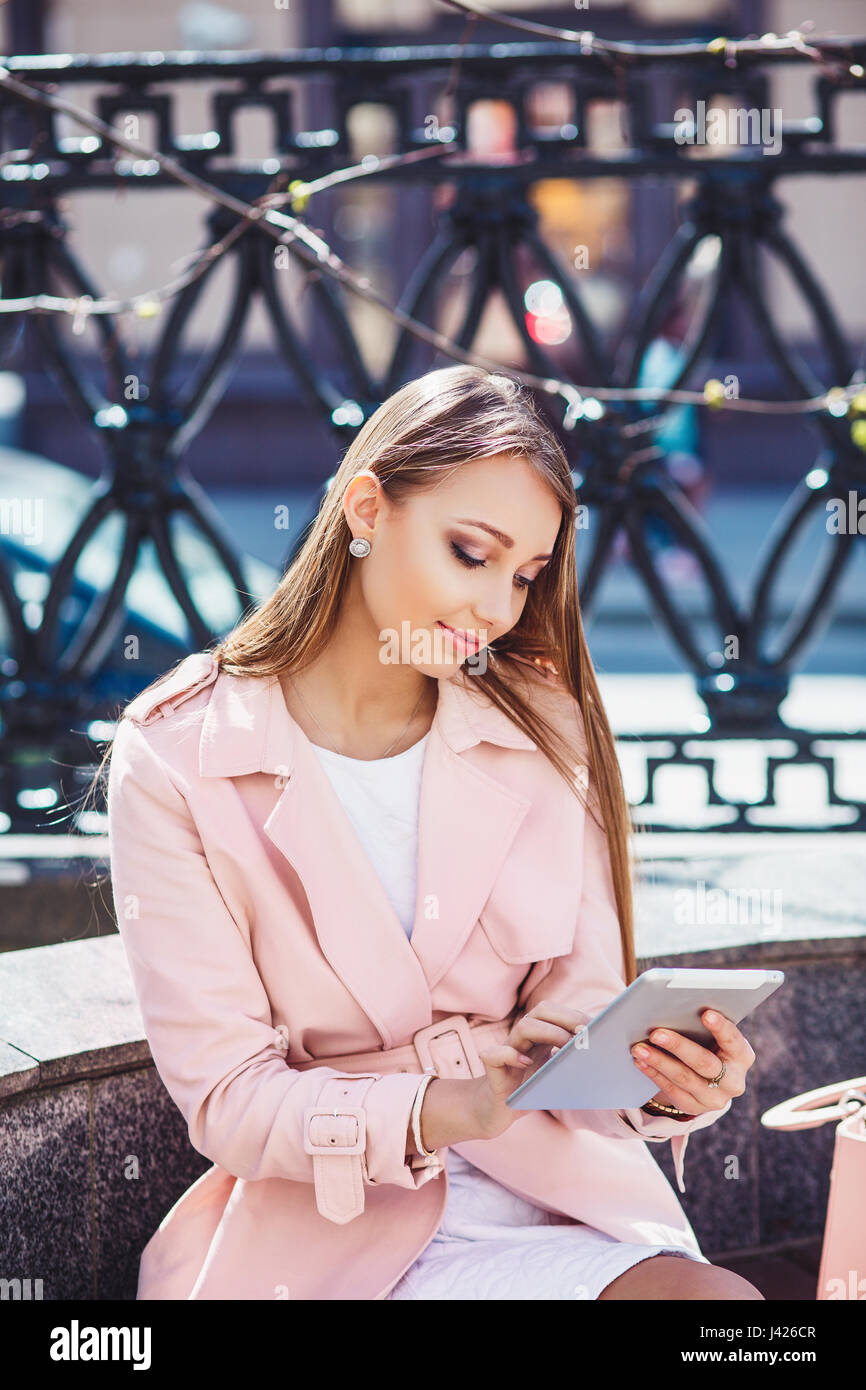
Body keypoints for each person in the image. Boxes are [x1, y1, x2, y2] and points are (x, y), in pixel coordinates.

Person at [101, 364, 761, 1301]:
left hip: (559, 1203)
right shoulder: (178, 754)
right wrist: (443, 1105)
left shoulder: (541, 723)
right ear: (366, 510)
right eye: (470, 553)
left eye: (527, 576)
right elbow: (228, 1098)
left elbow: (581, 1012)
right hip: (328, 1232)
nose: (499, 610)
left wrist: (659, 1084)